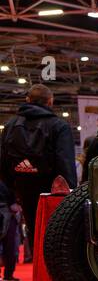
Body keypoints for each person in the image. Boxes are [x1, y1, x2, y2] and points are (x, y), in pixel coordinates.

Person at [0, 83, 78, 263]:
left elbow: (2, 164)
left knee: (35, 237)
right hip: (54, 194)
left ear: (27, 100)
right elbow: (65, 163)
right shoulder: (58, 126)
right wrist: (70, 195)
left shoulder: (10, 126)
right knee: (59, 240)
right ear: (50, 102)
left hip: (24, 191)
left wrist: (15, 190)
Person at [0, 178, 20, 281]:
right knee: (10, 245)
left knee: (11, 246)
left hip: (10, 213)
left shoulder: (8, 180)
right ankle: (8, 274)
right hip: (7, 212)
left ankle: (9, 274)